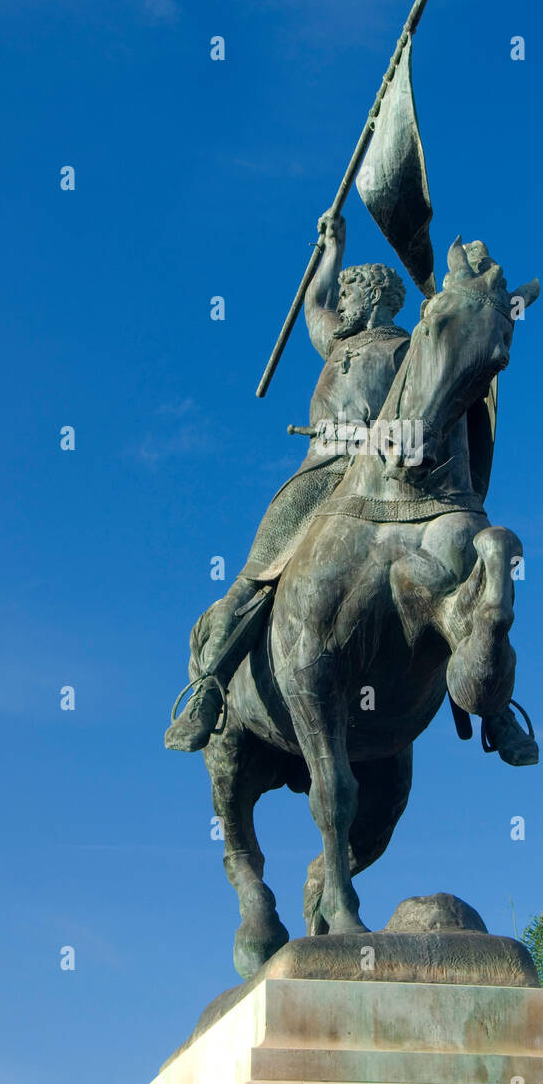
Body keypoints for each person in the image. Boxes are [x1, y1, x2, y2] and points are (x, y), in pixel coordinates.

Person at [166, 210, 410, 751]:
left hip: (382, 476)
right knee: (252, 577)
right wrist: (332, 249)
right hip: (318, 475)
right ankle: (208, 687)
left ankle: (487, 691)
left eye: (350, 296)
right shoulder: (338, 344)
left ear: (372, 300)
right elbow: (314, 306)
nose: (341, 306)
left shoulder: (407, 352)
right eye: (343, 298)